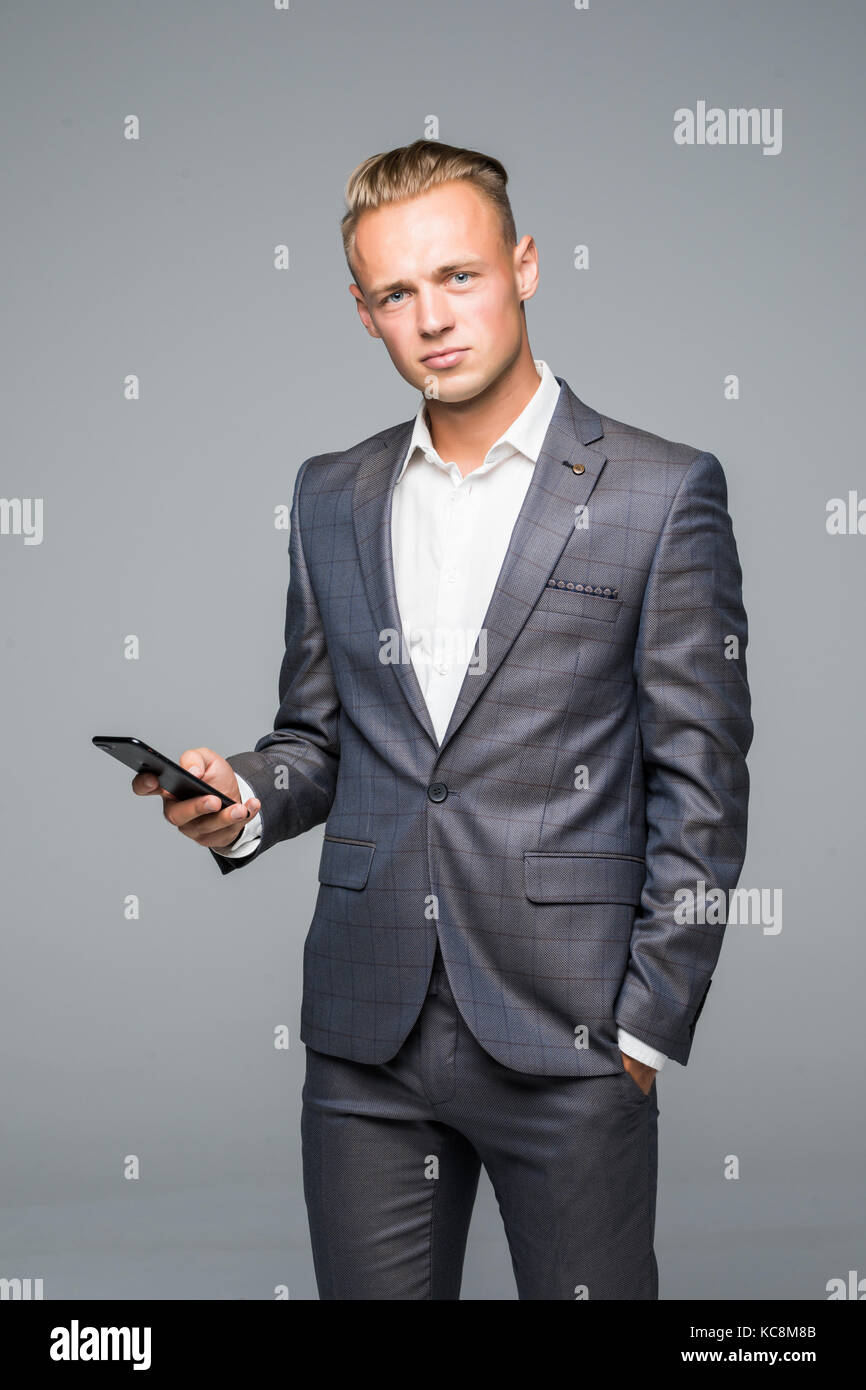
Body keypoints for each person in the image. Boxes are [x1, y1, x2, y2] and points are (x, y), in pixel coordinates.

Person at [132, 139, 753, 1300]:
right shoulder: (330, 493)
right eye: (396, 293)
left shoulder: (659, 492)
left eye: (458, 276)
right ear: (363, 313)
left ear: (522, 265)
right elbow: (319, 739)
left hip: (569, 1035)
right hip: (364, 1039)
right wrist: (247, 799)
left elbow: (702, 784)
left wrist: (642, 1029)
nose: (431, 317)